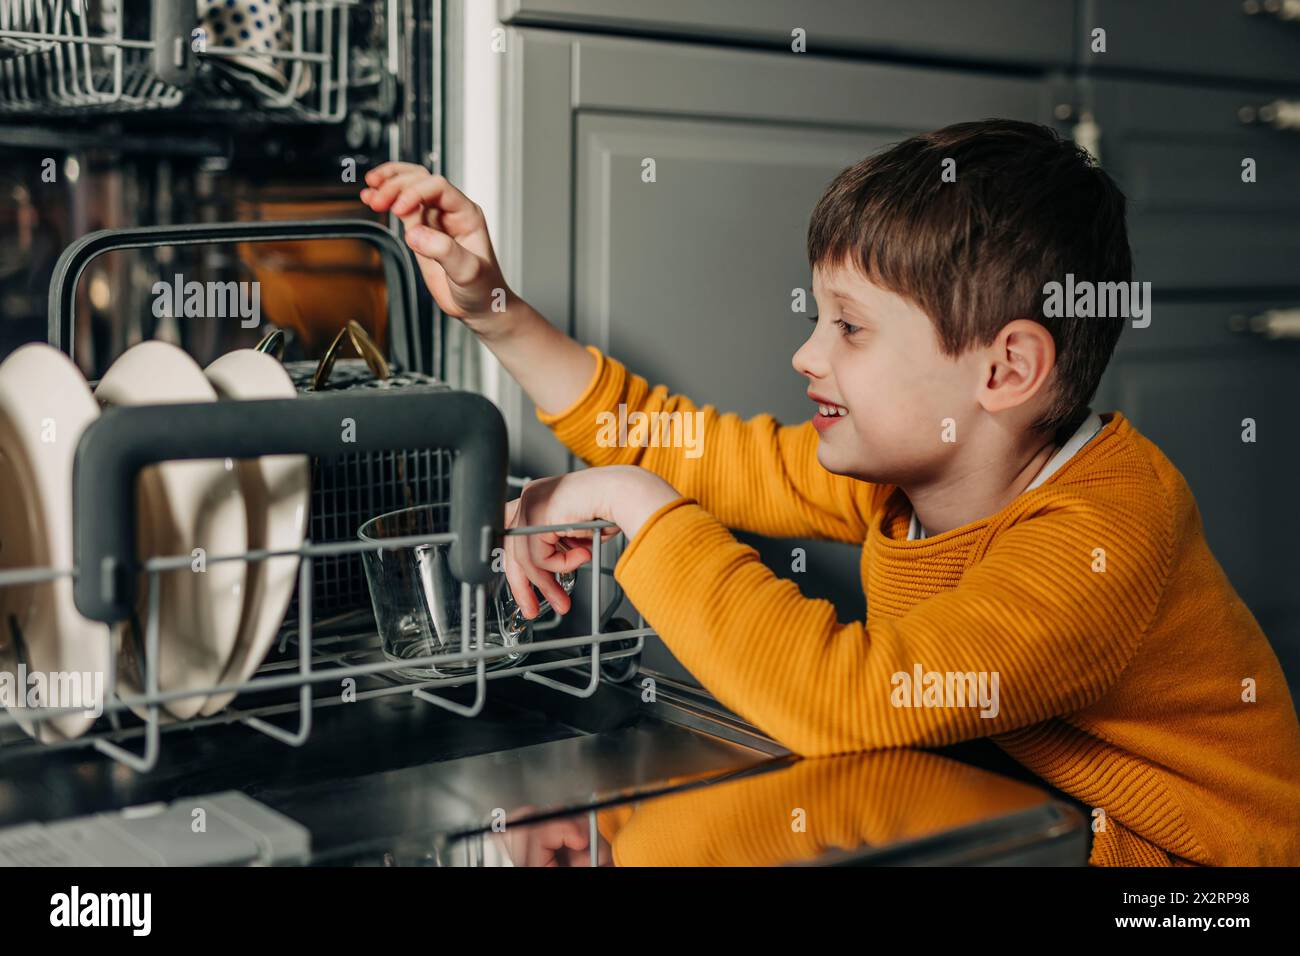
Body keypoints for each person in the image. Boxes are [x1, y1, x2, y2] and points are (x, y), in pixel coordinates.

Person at [359, 119, 1300, 866]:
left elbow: (847, 701)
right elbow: (673, 440)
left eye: (849, 327)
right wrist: (492, 309)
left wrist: (633, 505)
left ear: (1006, 367)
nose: (806, 354)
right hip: (1059, 821)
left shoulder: (1104, 535)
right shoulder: (920, 468)